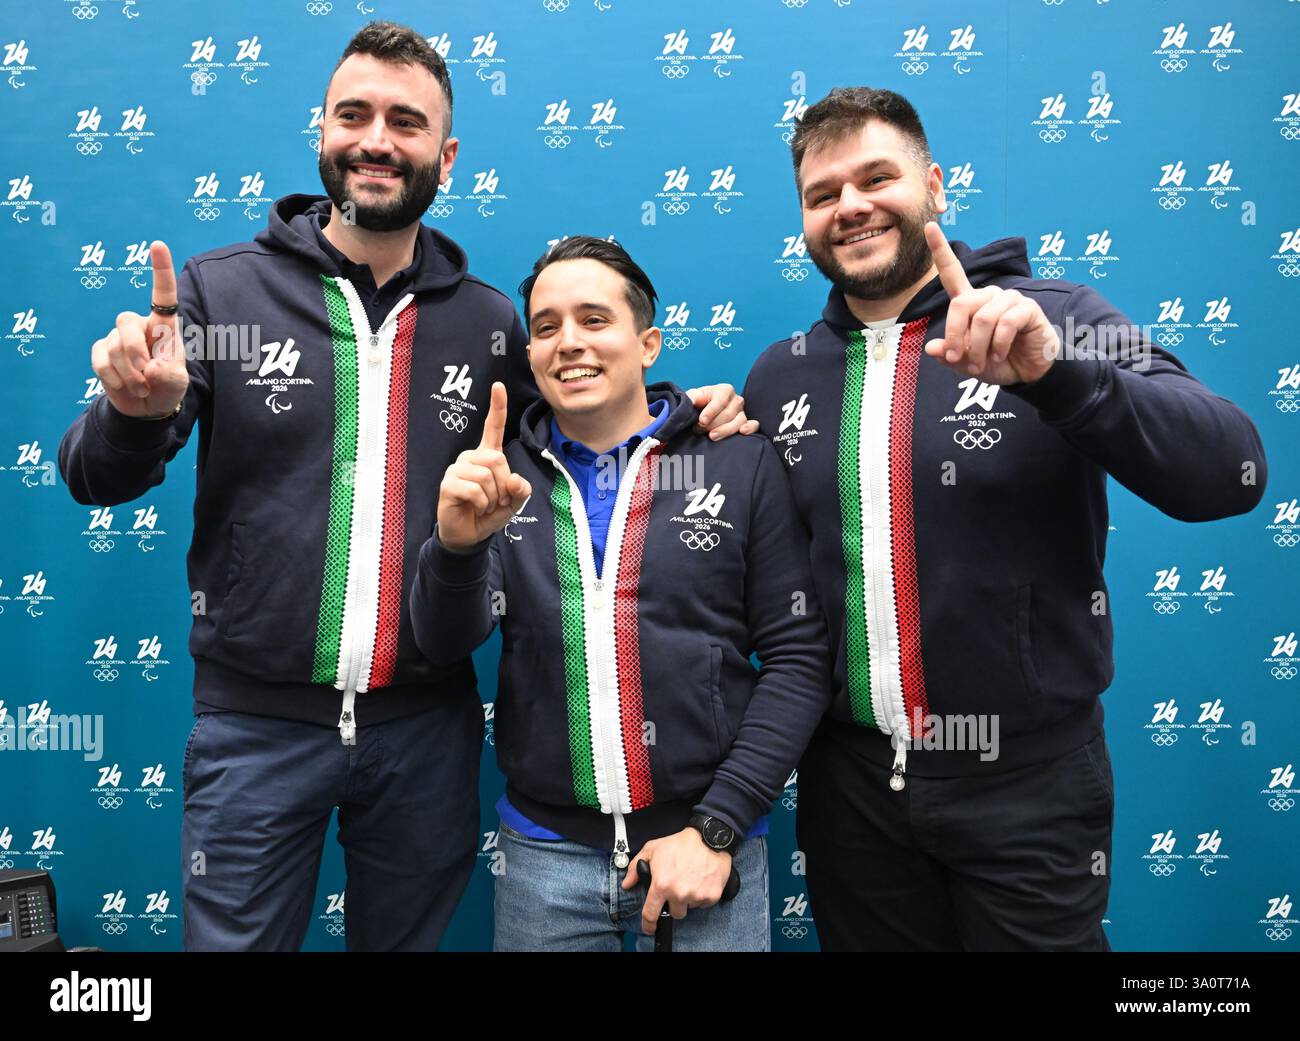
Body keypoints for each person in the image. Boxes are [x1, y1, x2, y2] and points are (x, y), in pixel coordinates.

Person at [56, 22, 751, 952]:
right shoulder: (222, 293)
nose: (377, 139)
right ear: (323, 131)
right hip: (255, 730)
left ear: (445, 154)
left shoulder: (493, 322)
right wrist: (132, 414)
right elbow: (97, 478)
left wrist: (687, 415)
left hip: (426, 732)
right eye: (356, 114)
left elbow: (585, 428)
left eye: (406, 122)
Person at [740, 87, 1268, 951]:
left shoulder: (1058, 317)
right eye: (823, 193)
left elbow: (1232, 468)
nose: (852, 207)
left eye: (878, 177)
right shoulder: (782, 374)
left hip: (1029, 787)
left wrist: (1061, 375)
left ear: (936, 187)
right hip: (853, 794)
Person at [409, 236, 831, 951]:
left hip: (705, 855)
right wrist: (455, 548)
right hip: (542, 863)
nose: (568, 342)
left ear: (648, 343)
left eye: (594, 319)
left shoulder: (738, 461)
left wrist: (717, 826)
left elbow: (798, 658)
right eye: (545, 327)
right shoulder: (499, 477)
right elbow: (446, 642)